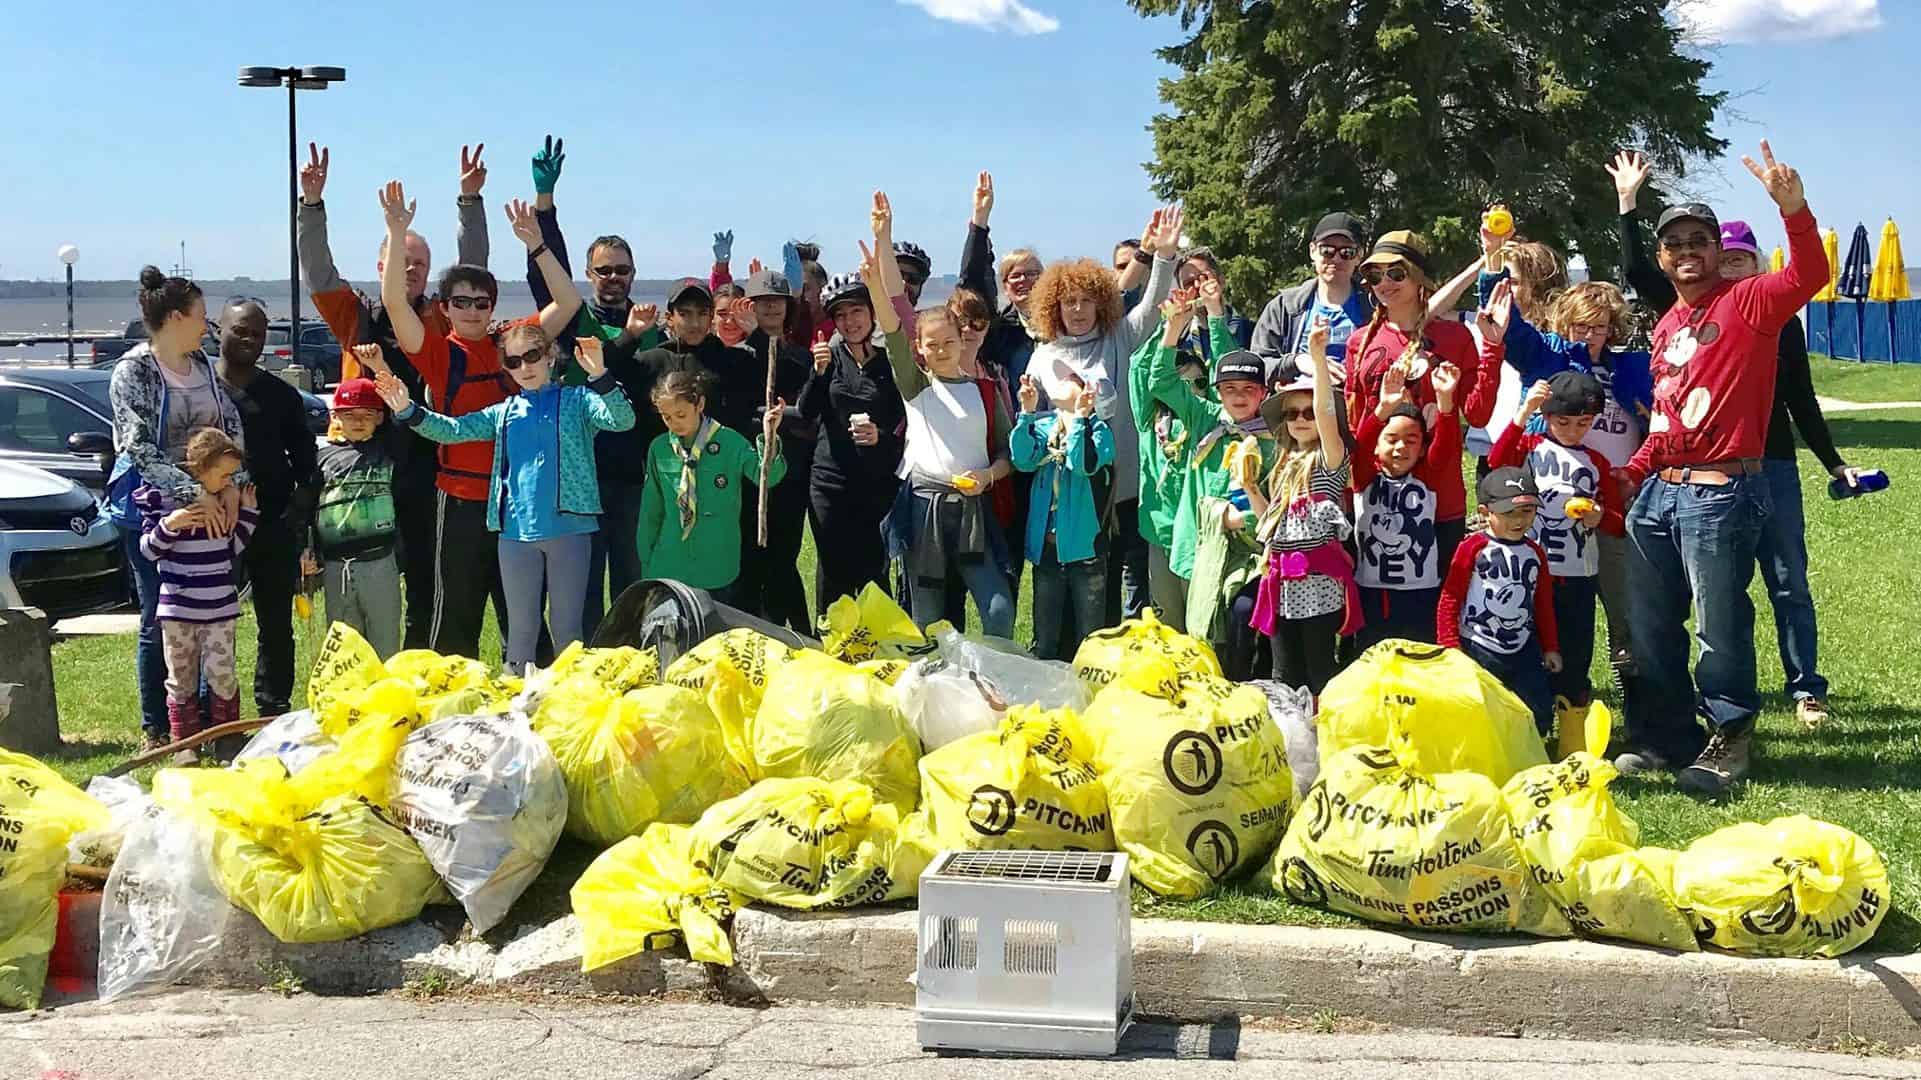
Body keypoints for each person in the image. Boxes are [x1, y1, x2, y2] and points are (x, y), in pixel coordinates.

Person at [1609, 141, 1827, 797]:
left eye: (1697, 240)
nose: (1685, 251)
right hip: (1657, 493)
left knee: (1718, 625)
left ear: (1714, 248)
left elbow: (1808, 274)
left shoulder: (1750, 301)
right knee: (1649, 626)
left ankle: (1728, 738)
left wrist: (1793, 211)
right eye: (1672, 242)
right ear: (1660, 258)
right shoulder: (1667, 322)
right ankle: (1660, 737)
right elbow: (1669, 416)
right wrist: (1634, 472)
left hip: (1720, 491)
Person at [378, 182, 583, 660]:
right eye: (461, 302)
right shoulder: (438, 354)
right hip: (463, 503)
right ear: (444, 308)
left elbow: (568, 303)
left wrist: (537, 245)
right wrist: (395, 232)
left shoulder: (513, 344)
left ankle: (535, 709)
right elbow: (394, 305)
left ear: (494, 306)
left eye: (482, 301)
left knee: (526, 618)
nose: (472, 310)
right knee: (457, 619)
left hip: (518, 502)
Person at [297, 142, 489, 650]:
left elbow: (473, 270)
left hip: (425, 460)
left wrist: (470, 203)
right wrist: (311, 207)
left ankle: (421, 663)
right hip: (362, 463)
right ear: (382, 262)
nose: (411, 269)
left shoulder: (438, 316)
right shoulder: (354, 315)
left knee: (427, 577)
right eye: (401, 260)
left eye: (420, 263)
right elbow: (318, 272)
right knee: (362, 580)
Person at [375, 331, 634, 674]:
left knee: (568, 631)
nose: (524, 366)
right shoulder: (504, 412)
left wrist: (600, 375)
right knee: (521, 633)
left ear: (550, 356)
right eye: (513, 361)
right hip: (514, 536)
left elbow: (622, 419)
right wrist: (407, 410)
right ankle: (518, 707)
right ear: (506, 369)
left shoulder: (578, 401)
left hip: (570, 531)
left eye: (532, 356)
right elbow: (452, 430)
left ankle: (569, 707)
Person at [1717, 219, 1872, 731]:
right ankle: (1730, 694)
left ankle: (1806, 689)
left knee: (1789, 584)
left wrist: (1834, 462)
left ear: (1757, 264)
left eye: (1740, 258)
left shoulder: (1783, 320)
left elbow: (1801, 400)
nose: (1731, 266)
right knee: (1723, 590)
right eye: (1724, 258)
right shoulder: (1703, 318)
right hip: (1718, 472)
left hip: (1776, 467)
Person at [1477, 268, 1652, 716]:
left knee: (1624, 610)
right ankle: (1543, 701)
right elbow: (1512, 330)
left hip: (1614, 498)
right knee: (1550, 611)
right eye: (1582, 326)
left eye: (1600, 327)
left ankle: (1636, 703)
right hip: (1550, 507)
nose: (1591, 335)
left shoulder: (1629, 366)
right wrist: (1493, 268)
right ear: (1565, 324)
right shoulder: (1551, 357)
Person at [520, 135, 664, 635]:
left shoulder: (655, 328)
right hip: (580, 476)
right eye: (603, 270)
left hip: (634, 478)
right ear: (588, 273)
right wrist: (545, 202)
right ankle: (582, 665)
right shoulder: (577, 318)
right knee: (580, 583)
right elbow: (547, 274)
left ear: (634, 274)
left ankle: (633, 657)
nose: (613, 278)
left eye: (622, 270)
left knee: (632, 577)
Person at [107, 268, 248, 752]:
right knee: (160, 615)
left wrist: (233, 486)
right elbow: (138, 447)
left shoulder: (204, 366)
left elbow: (229, 426)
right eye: (201, 317)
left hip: (212, 500)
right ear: (173, 318)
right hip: (154, 508)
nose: (207, 327)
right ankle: (160, 730)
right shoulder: (134, 371)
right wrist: (193, 495)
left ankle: (214, 730)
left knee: (211, 617)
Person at [1029, 207, 1182, 624]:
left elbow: (1151, 307)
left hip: (1129, 487)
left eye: (1086, 301)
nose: (1077, 310)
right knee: (1089, 595)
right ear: (1053, 308)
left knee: (1136, 587)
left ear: (1102, 303)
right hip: (1077, 497)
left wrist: (1163, 257)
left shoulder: (1121, 337)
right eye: (1068, 302)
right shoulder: (1044, 356)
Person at [869, 231, 1017, 637]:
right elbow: (892, 324)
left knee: (999, 610)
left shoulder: (986, 392)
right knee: (928, 618)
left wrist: (987, 478)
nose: (940, 350)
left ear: (960, 340)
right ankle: (931, 687)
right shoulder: (916, 387)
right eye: (931, 345)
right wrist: (880, 252)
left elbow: (1007, 454)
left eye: (948, 342)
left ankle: (993, 682)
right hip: (924, 508)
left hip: (973, 512)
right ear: (920, 348)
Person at [1489, 372, 1625, 757]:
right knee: (1527, 649)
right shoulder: (1531, 447)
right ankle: (1523, 731)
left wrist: (1600, 515)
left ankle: (1571, 739)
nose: (1572, 430)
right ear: (1547, 418)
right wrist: (1524, 413)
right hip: (1529, 572)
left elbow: (1617, 519)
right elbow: (1498, 464)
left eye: (1583, 423)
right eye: (1563, 422)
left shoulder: (1595, 461)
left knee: (1574, 654)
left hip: (1579, 573)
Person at [1146, 289, 1278, 680]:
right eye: (1230, 389)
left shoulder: (1272, 438)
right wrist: (1173, 329)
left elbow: (1274, 501)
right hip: (1198, 548)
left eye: (1249, 390)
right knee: (1198, 632)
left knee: (1240, 624)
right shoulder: (1204, 418)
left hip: (1249, 555)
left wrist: (1244, 523)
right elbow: (1161, 380)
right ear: (1218, 391)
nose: (1239, 398)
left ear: (1263, 393)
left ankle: (1241, 690)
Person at [1344, 230, 1488, 572]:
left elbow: (1479, 414)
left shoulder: (1454, 337)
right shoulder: (1360, 342)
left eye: (1396, 273)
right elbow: (1354, 425)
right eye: (1374, 275)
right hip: (1376, 496)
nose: (1384, 283)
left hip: (1440, 497)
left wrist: (1492, 352)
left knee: (1438, 612)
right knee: (1374, 614)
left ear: (1418, 277)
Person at [213, 299, 317, 715]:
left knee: (275, 625)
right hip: (214, 523)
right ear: (218, 330)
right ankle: (214, 712)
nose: (249, 340)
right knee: (210, 625)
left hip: (272, 523)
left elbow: (306, 457)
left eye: (257, 333)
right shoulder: (202, 390)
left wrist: (299, 509)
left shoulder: (282, 396)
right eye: (240, 330)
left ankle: (272, 708)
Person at [1246, 316, 1356, 696]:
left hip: (1318, 582)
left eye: (1306, 412)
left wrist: (1317, 357)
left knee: (1321, 667)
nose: (1300, 420)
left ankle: (1326, 739)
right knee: (1283, 670)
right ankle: (1291, 743)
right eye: (1292, 414)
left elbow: (1327, 412)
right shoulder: (1284, 464)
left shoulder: (1330, 460)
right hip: (1280, 581)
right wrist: (1249, 488)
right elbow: (1268, 527)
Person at [133, 429, 259, 759]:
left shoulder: (224, 503)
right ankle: (184, 745)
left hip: (219, 609)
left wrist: (247, 514)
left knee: (223, 674)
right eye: (225, 474)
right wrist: (170, 525)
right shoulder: (164, 502)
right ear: (200, 467)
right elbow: (148, 550)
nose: (230, 481)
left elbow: (231, 548)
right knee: (180, 677)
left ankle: (226, 740)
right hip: (178, 611)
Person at [797, 271, 907, 615]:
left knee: (875, 568)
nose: (849, 321)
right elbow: (806, 411)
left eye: (856, 311)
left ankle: (880, 646)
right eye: (840, 315)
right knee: (833, 569)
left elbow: (907, 423)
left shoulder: (889, 363)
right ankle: (829, 643)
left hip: (876, 482)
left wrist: (881, 436)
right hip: (830, 482)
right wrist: (817, 373)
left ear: (871, 313)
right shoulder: (829, 358)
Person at [636, 369, 787, 604]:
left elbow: (767, 476)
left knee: (715, 636)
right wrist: (646, 558)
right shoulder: (660, 448)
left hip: (716, 562)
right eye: (666, 417)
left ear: (699, 405)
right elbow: (651, 509)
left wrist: (769, 438)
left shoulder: (730, 442)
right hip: (669, 562)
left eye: (680, 415)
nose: (674, 423)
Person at [1350, 360, 1466, 648]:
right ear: (1378, 444)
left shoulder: (1427, 476)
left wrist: (1446, 403)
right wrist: (1381, 410)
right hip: (1373, 591)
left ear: (1422, 447)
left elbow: (1447, 447)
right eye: (1391, 439)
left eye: (1411, 440)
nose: (1401, 447)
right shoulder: (1365, 475)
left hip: (1420, 591)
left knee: (1417, 653)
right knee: (1370, 657)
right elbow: (1359, 448)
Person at [1438, 467, 1561, 734]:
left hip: (1523, 646)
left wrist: (1550, 647)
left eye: (1527, 512)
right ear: (1485, 513)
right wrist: (1450, 645)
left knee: (1536, 706)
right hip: (1478, 644)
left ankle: (1532, 751)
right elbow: (1450, 598)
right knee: (1477, 709)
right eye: (1509, 513)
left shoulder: (1535, 553)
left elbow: (1543, 605)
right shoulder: (1472, 548)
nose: (1518, 520)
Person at [1012, 372, 1114, 660]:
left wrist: (1081, 419)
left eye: (1069, 377)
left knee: (1090, 636)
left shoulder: (1100, 431)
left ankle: (1088, 689)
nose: (1059, 380)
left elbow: (1082, 464)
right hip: (1048, 548)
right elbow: (1022, 459)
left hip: (1086, 551)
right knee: (1044, 636)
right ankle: (1045, 688)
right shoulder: (1044, 425)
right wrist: (1027, 413)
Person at [303, 372, 405, 659]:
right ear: (335, 417)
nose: (358, 422)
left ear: (380, 418)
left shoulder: (387, 451)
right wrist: (306, 549)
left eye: (367, 414)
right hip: (337, 565)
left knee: (385, 644)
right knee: (344, 649)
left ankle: (385, 700)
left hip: (380, 561)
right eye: (349, 415)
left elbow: (403, 425)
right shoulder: (322, 458)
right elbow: (307, 507)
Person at [741, 268, 821, 632]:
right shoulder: (741, 354)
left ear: (788, 307)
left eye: (777, 301)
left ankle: (799, 631)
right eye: (763, 301)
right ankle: (763, 627)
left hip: (792, 474)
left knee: (783, 558)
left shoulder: (801, 358)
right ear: (752, 306)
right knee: (752, 559)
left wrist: (781, 419)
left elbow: (809, 414)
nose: (771, 307)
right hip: (749, 474)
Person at [1252, 212, 1373, 376]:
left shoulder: (1375, 308)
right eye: (1327, 250)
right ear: (1312, 251)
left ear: (1359, 256)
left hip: (1354, 399)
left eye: (1347, 252)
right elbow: (1257, 365)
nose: (1336, 259)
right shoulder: (1285, 307)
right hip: (1299, 398)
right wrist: (1297, 362)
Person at [1174, 248, 1253, 362]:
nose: (1197, 285)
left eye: (1204, 278)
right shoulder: (1178, 341)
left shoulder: (1252, 331)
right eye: (1189, 283)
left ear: (1221, 281)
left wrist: (1214, 310)